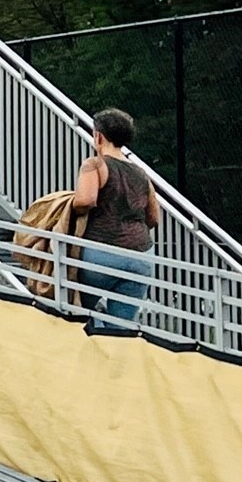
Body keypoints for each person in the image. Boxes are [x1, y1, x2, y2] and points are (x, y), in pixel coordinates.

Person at [69, 107, 160, 327]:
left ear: (98, 136)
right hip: (141, 256)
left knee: (76, 312)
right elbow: (154, 218)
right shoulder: (141, 173)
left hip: (102, 252)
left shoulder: (95, 164)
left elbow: (85, 200)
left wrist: (65, 205)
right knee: (122, 326)